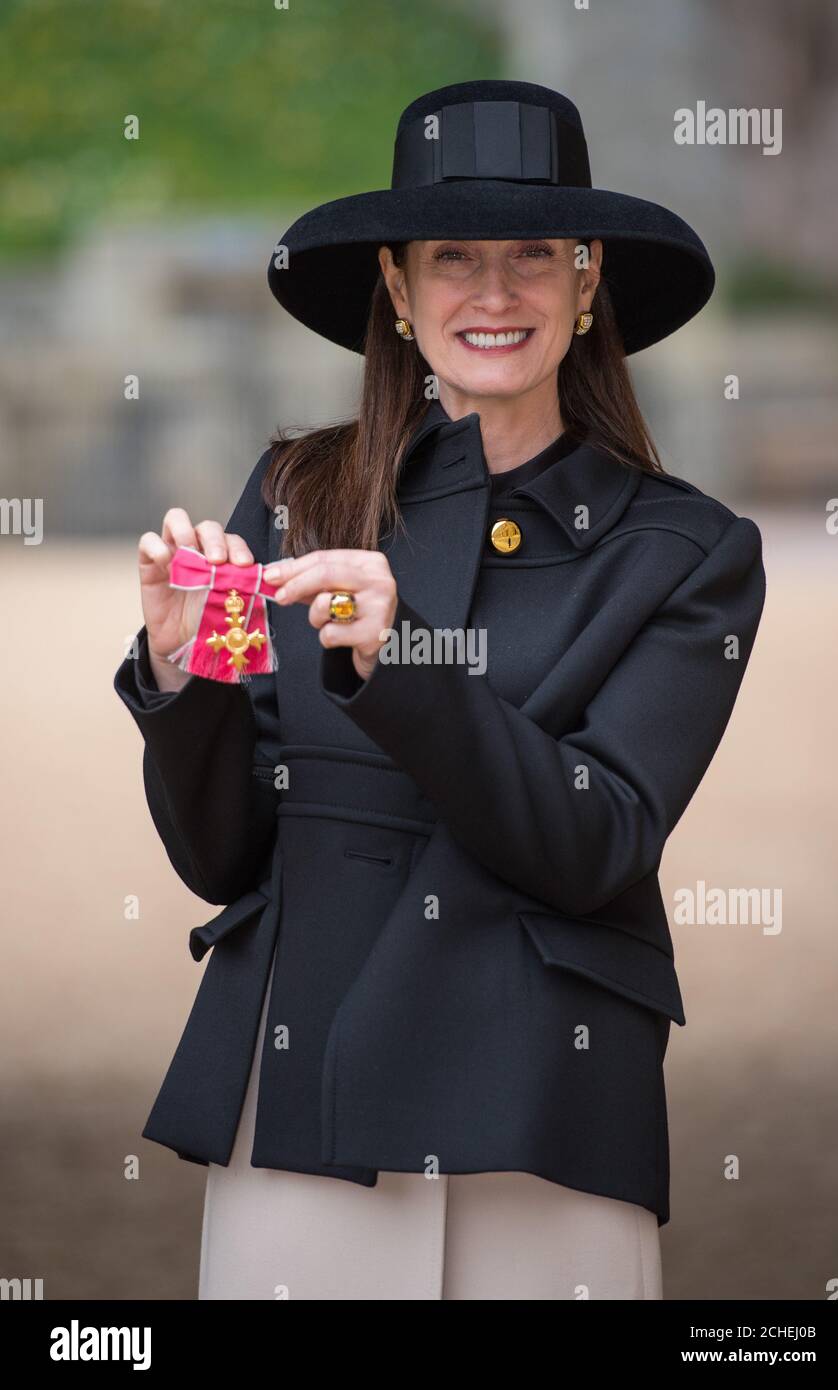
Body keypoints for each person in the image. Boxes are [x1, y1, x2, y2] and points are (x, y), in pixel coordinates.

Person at [113, 79, 766, 1300]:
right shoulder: (294, 492)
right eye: (451, 256)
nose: (495, 290)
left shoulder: (689, 549)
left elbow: (596, 838)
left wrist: (398, 659)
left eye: (534, 255)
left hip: (544, 1115)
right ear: (398, 293)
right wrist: (180, 670)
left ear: (586, 285)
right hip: (299, 1099)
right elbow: (222, 853)